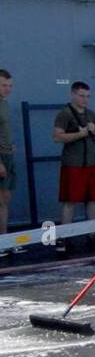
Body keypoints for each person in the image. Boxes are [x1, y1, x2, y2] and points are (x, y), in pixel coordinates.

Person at [52, 82, 95, 246]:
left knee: (93, 199)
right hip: (72, 164)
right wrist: (80, 134)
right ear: (73, 94)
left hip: (91, 162)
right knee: (70, 200)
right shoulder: (65, 114)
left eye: (88, 96)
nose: (85, 100)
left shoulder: (91, 114)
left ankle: (93, 233)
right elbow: (57, 137)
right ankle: (64, 236)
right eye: (81, 96)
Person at [0, 67, 15, 238]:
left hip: (8, 154)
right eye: (4, 85)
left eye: (10, 85)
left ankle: (4, 238)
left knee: (5, 199)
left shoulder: (4, 104)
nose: (8, 89)